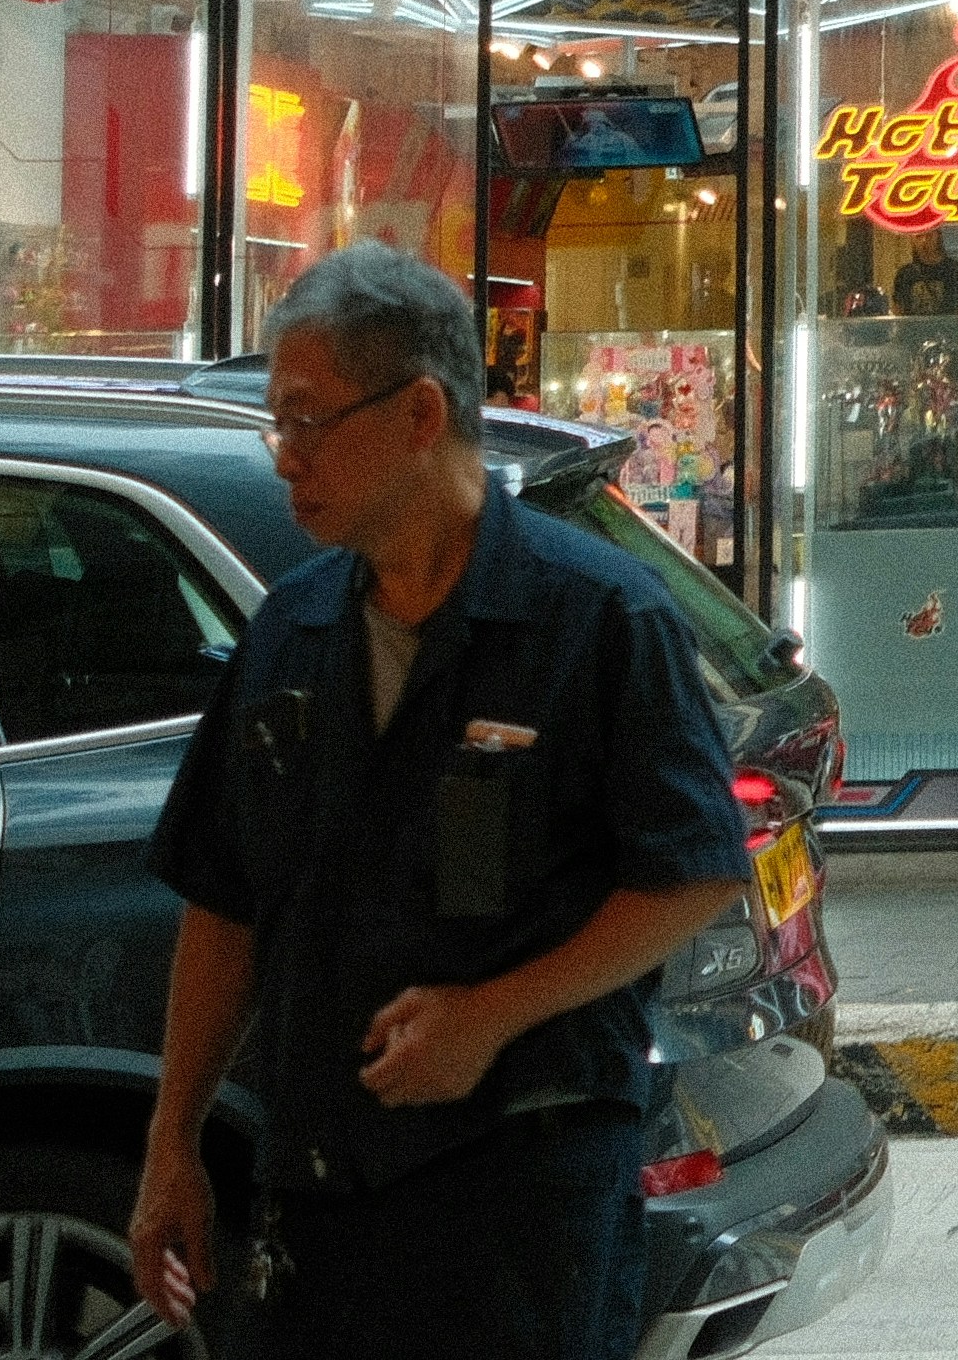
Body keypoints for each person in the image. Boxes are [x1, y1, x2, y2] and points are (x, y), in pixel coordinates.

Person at [134, 243, 754, 1358]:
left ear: (421, 412)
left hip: (523, 1200)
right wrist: (171, 1141)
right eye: (279, 423)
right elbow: (224, 898)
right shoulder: (294, 629)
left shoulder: (598, 619)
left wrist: (490, 1013)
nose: (285, 457)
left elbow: (695, 872)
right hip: (323, 1194)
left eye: (308, 419)